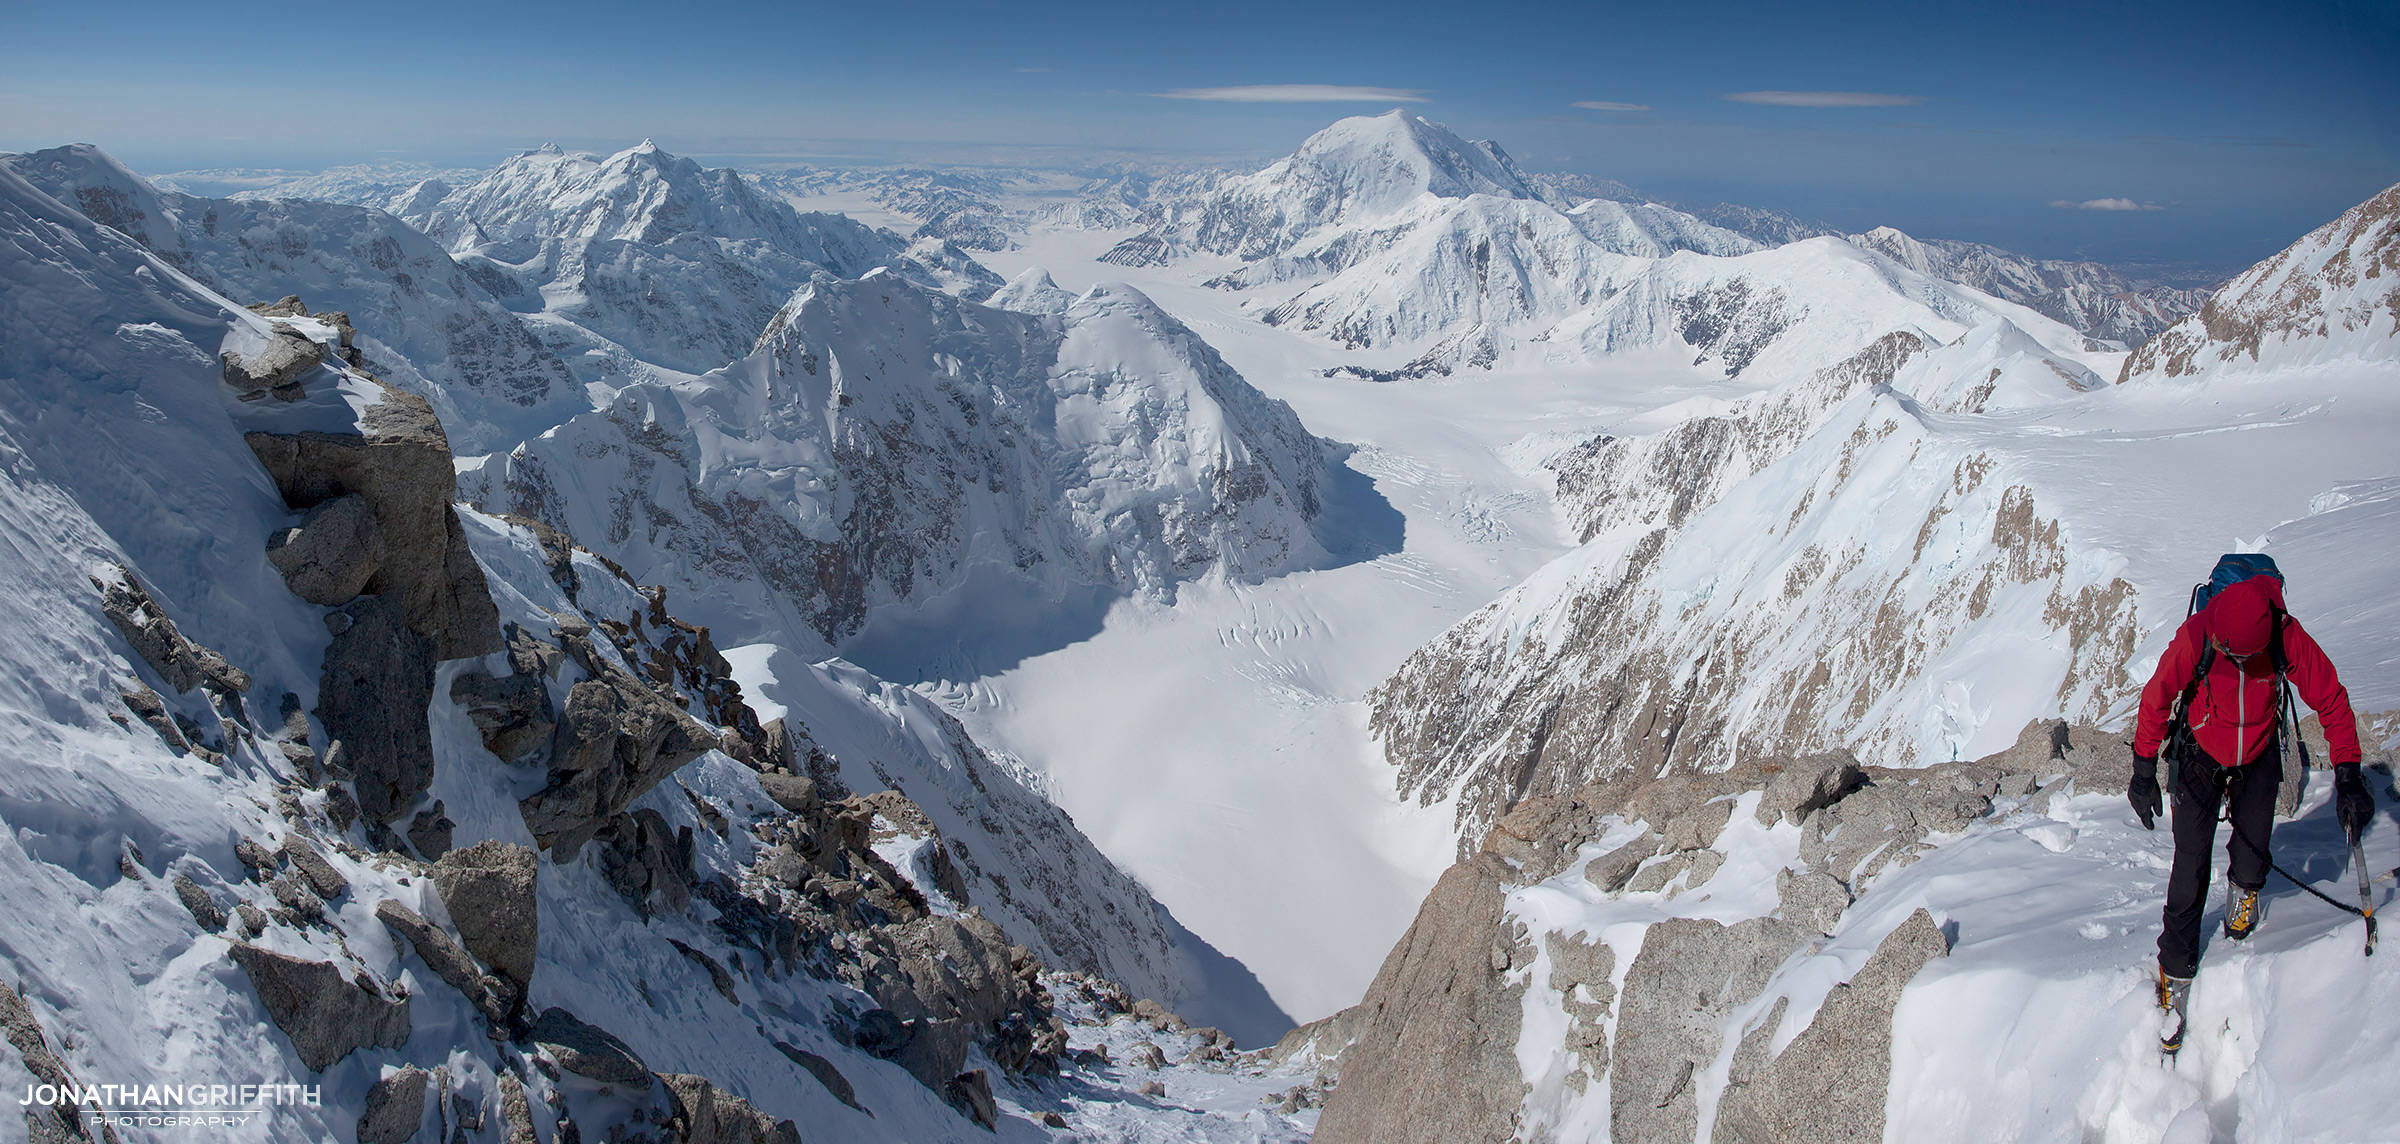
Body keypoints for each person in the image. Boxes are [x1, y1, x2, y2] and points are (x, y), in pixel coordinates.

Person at [2127, 573, 2365, 1048]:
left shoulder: (2284, 636)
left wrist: (2349, 773)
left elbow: (2331, 699)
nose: (2234, 660)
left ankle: (2244, 896)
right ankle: (2176, 971)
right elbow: (2156, 697)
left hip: (2257, 750)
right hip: (2199, 751)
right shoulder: (2199, 636)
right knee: (2189, 863)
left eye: (2240, 657)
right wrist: (2143, 767)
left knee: (2254, 847)